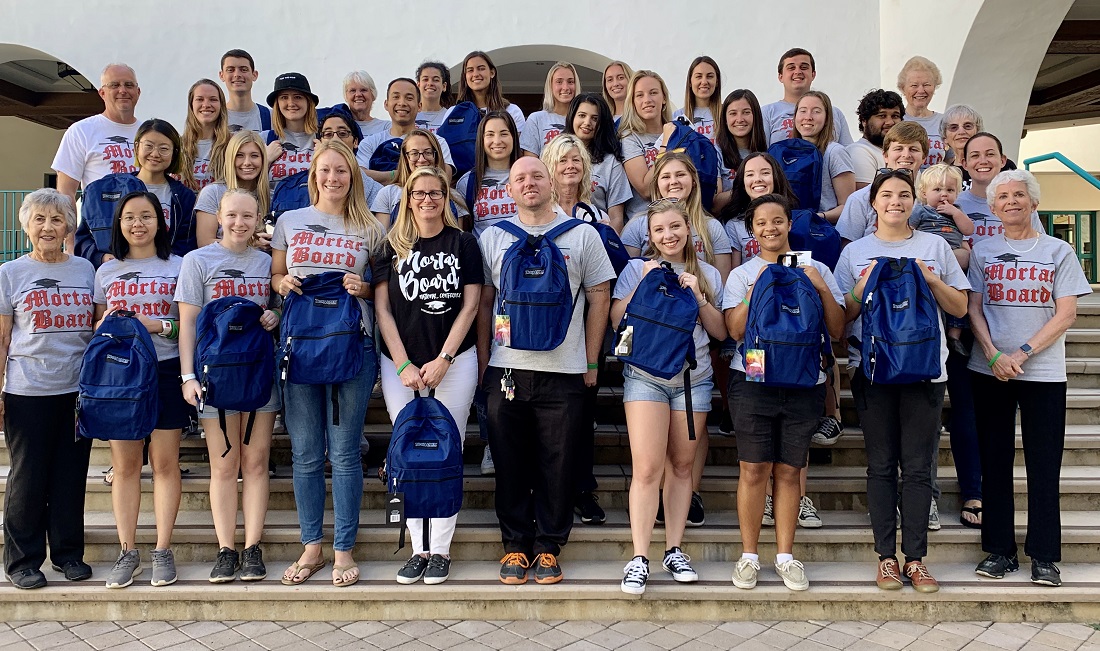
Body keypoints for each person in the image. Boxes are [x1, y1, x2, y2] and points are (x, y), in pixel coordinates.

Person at [477, 157, 615, 585]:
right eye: (520, 178)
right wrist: (484, 361)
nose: (529, 183)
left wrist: (592, 362)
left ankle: (549, 546)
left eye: (537, 175)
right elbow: (483, 303)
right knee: (510, 461)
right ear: (509, 191)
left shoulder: (583, 234)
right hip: (507, 370)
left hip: (566, 370)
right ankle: (516, 546)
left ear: (552, 182)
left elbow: (599, 298)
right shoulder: (493, 238)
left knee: (559, 463)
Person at [835, 169, 970, 594]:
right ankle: (886, 559)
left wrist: (930, 278)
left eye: (905, 195)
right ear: (873, 202)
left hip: (927, 370)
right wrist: (864, 281)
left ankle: (916, 559)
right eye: (888, 195)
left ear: (915, 201)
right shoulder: (856, 251)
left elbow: (961, 306)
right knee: (880, 466)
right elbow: (843, 318)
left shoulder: (935, 246)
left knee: (916, 468)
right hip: (873, 371)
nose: (896, 201)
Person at [968, 169, 1091, 588]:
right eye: (1003, 197)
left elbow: (1067, 313)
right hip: (990, 371)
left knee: (1043, 465)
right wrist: (991, 353)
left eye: (1019, 195)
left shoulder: (1059, 250)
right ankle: (999, 551)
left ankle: (1044, 556)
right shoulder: (983, 251)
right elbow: (974, 308)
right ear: (994, 206)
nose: (1011, 202)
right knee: (995, 463)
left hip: (1043, 373)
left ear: (1033, 202)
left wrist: (1022, 353)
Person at [271, 140, 386, 588]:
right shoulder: (290, 221)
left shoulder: (370, 227)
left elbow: (384, 286)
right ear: (312, 175)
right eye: (326, 170)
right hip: (300, 345)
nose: (333, 178)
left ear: (353, 176)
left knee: (343, 451)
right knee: (304, 453)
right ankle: (311, 546)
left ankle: (343, 549)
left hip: (351, 347)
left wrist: (363, 287)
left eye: (342, 171)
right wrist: (284, 283)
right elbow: (275, 277)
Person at [723, 193, 845, 592]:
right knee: (753, 468)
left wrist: (819, 286)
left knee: (790, 470)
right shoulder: (743, 273)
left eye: (777, 221)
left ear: (788, 223)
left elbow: (838, 329)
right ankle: (749, 556)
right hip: (754, 376)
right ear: (752, 230)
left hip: (805, 379)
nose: (770, 229)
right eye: (761, 223)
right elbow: (735, 331)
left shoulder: (816, 267)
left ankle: (786, 557)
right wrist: (754, 290)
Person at [374, 166, 483, 585]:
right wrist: (402, 363)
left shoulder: (464, 243)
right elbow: (383, 310)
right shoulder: (391, 246)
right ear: (407, 198)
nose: (426, 200)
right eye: (418, 193)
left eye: (435, 193)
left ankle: (440, 550)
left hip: (453, 363)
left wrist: (444, 358)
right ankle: (418, 549)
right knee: (409, 455)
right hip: (399, 364)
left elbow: (470, 306)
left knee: (444, 454)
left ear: (446, 197)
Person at [614, 199, 727, 594]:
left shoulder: (707, 272)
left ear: (689, 229)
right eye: (660, 230)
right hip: (645, 377)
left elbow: (721, 332)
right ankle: (639, 557)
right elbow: (616, 321)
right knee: (646, 468)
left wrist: (698, 296)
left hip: (691, 380)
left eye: (675, 227)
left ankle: (674, 549)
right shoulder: (634, 269)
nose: (669, 236)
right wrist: (644, 283)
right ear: (650, 236)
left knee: (681, 467)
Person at [176, 189, 280, 583]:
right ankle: (226, 549)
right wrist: (188, 376)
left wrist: (272, 315)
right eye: (232, 215)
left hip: (257, 374)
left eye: (248, 216)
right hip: (213, 378)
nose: (240, 223)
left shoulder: (265, 262)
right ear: (219, 217)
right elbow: (187, 323)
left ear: (258, 219)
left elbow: (275, 308)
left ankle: (252, 547)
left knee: (255, 463)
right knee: (224, 465)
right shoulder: (197, 261)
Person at [0, 189, 95, 590]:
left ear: (68, 228)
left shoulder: (85, 271)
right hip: (27, 390)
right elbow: (2, 338)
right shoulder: (11, 273)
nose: (48, 227)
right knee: (29, 476)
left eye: (56, 220)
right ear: (26, 227)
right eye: (39, 219)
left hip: (76, 390)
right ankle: (22, 560)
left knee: (71, 476)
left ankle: (68, 554)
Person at [93, 191, 187, 588]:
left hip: (165, 369)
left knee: (165, 464)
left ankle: (163, 550)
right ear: (118, 224)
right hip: (122, 378)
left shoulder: (181, 265)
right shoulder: (105, 273)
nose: (137, 224)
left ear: (159, 222)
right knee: (127, 467)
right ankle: (127, 551)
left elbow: (189, 328)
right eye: (129, 217)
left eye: (146, 216)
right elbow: (95, 330)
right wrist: (109, 325)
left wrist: (158, 326)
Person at [74, 119, 198, 267]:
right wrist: (101, 257)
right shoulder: (106, 189)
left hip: (164, 280)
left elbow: (187, 244)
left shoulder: (183, 197)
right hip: (117, 276)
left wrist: (164, 265)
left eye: (164, 148)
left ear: (174, 153)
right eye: (149, 146)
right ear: (137, 147)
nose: (155, 154)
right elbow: (84, 239)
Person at [52, 63, 141, 250]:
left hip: (142, 233)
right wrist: (72, 243)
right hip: (99, 235)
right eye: (114, 85)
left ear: (138, 92)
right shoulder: (82, 131)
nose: (123, 90)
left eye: (129, 85)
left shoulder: (148, 132)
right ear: (102, 93)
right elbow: (66, 193)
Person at [621, 152, 733, 279]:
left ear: (693, 181)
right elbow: (627, 282)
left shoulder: (712, 227)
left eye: (680, 175)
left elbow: (722, 287)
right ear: (657, 184)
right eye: (666, 177)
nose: (674, 181)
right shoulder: (637, 226)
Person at [836, 122, 928, 243]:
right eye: (898, 148)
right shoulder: (860, 199)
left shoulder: (931, 198)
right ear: (885, 155)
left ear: (924, 157)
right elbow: (846, 248)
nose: (906, 155)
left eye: (913, 149)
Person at [359, 78, 455, 182]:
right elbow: (360, 176)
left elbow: (444, 177)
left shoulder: (437, 141)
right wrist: (397, 174)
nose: (402, 103)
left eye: (409, 98)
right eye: (396, 97)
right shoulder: (369, 143)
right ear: (386, 104)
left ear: (419, 106)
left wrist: (381, 176)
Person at [956, 132, 1044, 245]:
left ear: (1002, 161)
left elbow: (1039, 246)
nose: (983, 161)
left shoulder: (1021, 205)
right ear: (965, 164)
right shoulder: (955, 204)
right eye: (975, 156)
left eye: (990, 154)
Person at [720, 153, 800, 273]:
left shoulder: (796, 218)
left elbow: (801, 265)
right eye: (750, 174)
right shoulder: (734, 225)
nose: (757, 179)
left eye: (765, 173)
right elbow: (736, 272)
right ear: (742, 182)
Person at [563, 93, 630, 229]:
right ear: (572, 117)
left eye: (595, 118)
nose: (587, 122)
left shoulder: (611, 163)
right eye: (582, 115)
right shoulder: (553, 155)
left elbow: (616, 218)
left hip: (597, 236)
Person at [194, 131, 271, 248]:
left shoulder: (270, 195)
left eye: (254, 156)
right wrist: (249, 243)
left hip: (261, 264)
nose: (247, 163)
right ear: (230, 159)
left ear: (263, 159)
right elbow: (204, 242)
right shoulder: (212, 193)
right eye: (239, 155)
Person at [761, 48, 853, 146]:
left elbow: (849, 152)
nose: (797, 72)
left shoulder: (835, 113)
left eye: (804, 67)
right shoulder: (767, 113)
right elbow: (759, 154)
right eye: (791, 68)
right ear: (780, 76)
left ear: (813, 74)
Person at [618, 70, 674, 219]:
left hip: (680, 217)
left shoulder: (679, 131)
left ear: (664, 98)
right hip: (644, 221)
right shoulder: (629, 138)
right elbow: (646, 189)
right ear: (633, 102)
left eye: (653, 92)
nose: (647, 99)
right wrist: (665, 143)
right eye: (640, 95)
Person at [372, 129, 456, 226]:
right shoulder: (388, 194)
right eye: (414, 153)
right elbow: (383, 237)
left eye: (428, 152)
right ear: (406, 158)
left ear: (436, 156)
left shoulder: (454, 197)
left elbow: (457, 237)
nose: (421, 159)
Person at [792, 91, 855, 222]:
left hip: (822, 231)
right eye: (803, 111)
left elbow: (848, 206)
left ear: (827, 119)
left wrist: (816, 217)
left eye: (816, 111)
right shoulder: (786, 152)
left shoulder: (835, 152)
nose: (808, 117)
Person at [456, 112, 521, 237]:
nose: (497, 141)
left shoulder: (529, 177)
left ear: (514, 137)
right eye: (490, 135)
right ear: (481, 139)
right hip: (483, 255)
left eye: (504, 134)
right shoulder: (467, 182)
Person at [912, 163, 974, 272]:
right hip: (928, 250)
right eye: (937, 189)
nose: (944, 194)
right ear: (924, 193)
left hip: (952, 250)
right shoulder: (921, 210)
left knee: (965, 257)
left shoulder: (957, 210)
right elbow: (908, 229)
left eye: (950, 190)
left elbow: (969, 230)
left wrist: (955, 213)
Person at [713, 89, 767, 212]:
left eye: (746, 112)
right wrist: (747, 187)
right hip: (730, 221)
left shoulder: (768, 151)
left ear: (756, 116)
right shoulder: (716, 152)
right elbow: (715, 204)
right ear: (725, 120)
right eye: (733, 113)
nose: (739, 119)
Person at [317, 110, 384, 209]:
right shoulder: (303, 184)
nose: (335, 139)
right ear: (320, 141)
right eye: (328, 134)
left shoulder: (377, 192)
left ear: (355, 142)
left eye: (343, 133)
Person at [262, 72, 319, 187]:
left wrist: (326, 156)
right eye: (284, 97)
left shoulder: (323, 139)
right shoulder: (264, 139)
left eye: (298, 97)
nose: (291, 103)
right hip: (273, 204)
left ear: (308, 102)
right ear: (277, 103)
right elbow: (248, 184)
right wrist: (265, 160)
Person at [180, 79, 231, 192]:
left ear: (221, 105)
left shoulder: (232, 144)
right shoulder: (177, 145)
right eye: (200, 99)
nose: (206, 105)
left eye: (213, 99)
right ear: (191, 104)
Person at [455, 51, 525, 132]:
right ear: (465, 76)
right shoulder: (454, 113)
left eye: (481, 69)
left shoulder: (512, 111)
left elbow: (518, 144)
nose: (475, 74)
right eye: (470, 70)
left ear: (492, 73)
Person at [848, 89, 905, 189]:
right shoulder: (859, 152)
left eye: (895, 116)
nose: (890, 122)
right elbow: (867, 199)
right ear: (864, 121)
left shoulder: (906, 152)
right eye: (882, 116)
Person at [521, 62, 580, 157]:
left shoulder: (584, 120)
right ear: (550, 86)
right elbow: (531, 162)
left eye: (570, 82)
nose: (565, 87)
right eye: (559, 82)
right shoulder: (536, 119)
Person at [898, 57, 946, 168]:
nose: (920, 90)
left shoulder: (944, 122)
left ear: (935, 87)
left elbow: (950, 159)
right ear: (902, 88)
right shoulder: (896, 121)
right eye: (914, 85)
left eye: (926, 85)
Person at [323, 71, 390, 139]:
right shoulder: (336, 127)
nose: (358, 94)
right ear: (346, 96)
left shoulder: (386, 128)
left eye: (363, 90)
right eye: (353, 91)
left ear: (373, 94)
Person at [219, 49, 271, 133]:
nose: (237, 75)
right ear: (222, 75)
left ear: (254, 75)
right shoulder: (215, 118)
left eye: (243, 70)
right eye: (230, 70)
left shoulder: (271, 117)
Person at [672, 56, 722, 144]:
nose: (704, 82)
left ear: (717, 81)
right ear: (690, 82)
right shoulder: (678, 116)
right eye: (698, 76)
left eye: (709, 76)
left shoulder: (725, 113)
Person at [415, 61, 454, 133]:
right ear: (418, 85)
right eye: (425, 79)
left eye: (436, 80)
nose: (430, 83)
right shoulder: (410, 115)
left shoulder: (450, 116)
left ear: (444, 86)